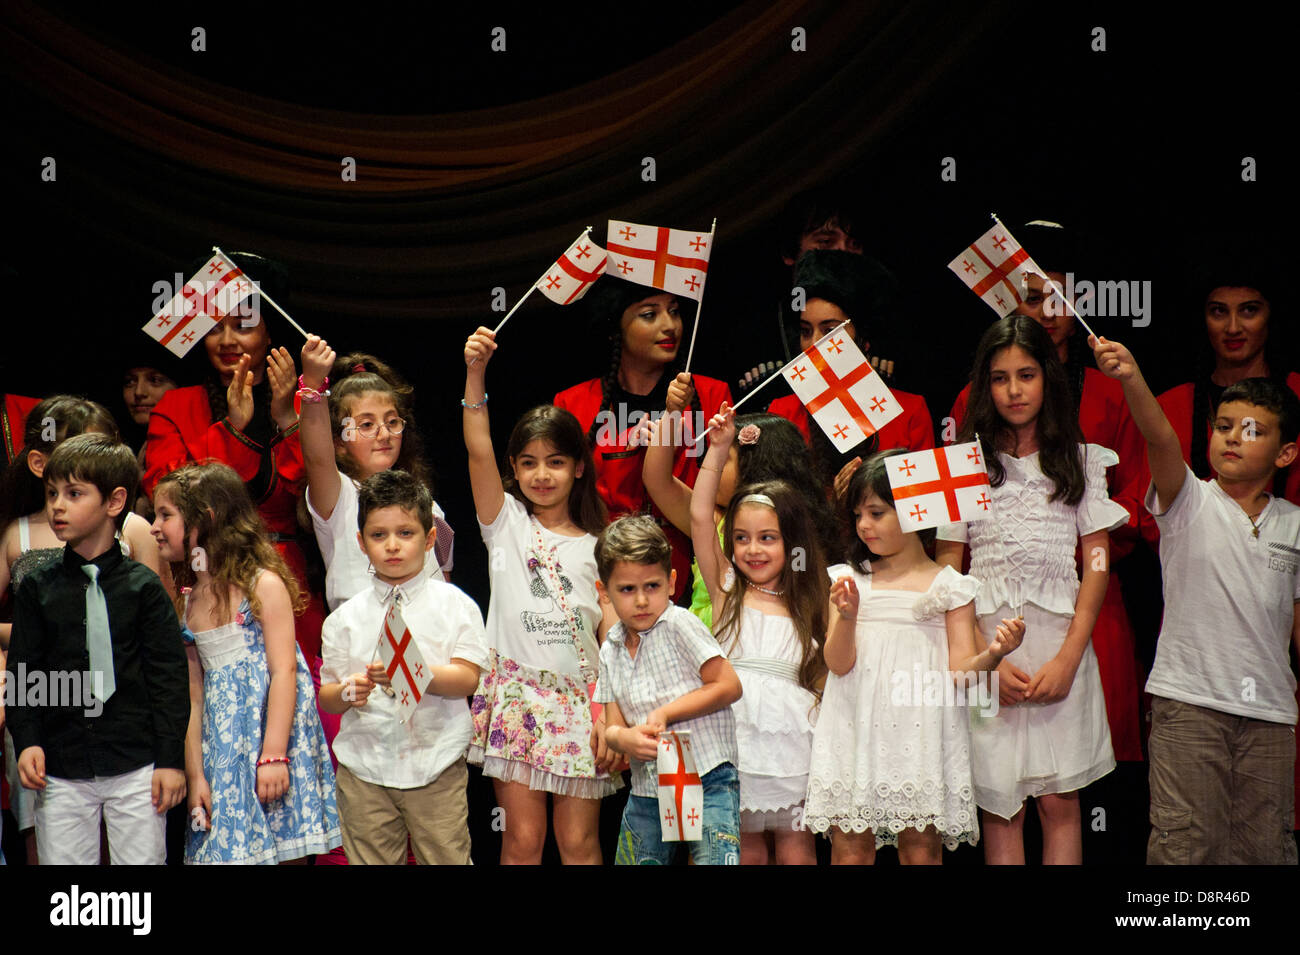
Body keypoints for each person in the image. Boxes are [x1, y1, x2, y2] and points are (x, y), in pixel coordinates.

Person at [947, 221, 1150, 764]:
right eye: (1037, 299)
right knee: (999, 794)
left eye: (1065, 299)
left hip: (1084, 602)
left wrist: (1092, 533)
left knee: (1069, 781)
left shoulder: (1109, 394)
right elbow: (951, 548)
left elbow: (1135, 500)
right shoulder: (973, 403)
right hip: (987, 618)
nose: (1052, 312)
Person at [1092, 335, 1299, 864]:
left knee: (1266, 850)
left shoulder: (1295, 525)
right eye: (1223, 427)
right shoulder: (1188, 499)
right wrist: (1133, 378)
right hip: (1189, 707)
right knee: (1186, 848)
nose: (1231, 438)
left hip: (1271, 715)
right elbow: (1160, 437)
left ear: (1287, 451)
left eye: (1251, 430)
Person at [936, 316, 1126, 864]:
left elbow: (1096, 564)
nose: (1014, 391)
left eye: (1026, 375)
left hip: (1059, 648)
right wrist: (983, 655)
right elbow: (948, 565)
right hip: (989, 651)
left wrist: (1070, 657)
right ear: (983, 385)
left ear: (1048, 377)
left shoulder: (1081, 460)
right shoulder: (963, 464)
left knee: (1060, 803)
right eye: (999, 378)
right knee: (1001, 809)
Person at [806, 454, 1024, 863]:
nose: (863, 525)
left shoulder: (951, 587)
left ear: (914, 511)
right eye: (858, 515)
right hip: (855, 725)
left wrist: (994, 653)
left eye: (876, 512)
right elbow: (837, 664)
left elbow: (960, 672)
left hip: (919, 732)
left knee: (922, 847)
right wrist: (848, 618)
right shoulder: (848, 580)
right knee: (850, 845)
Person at [463, 326, 615, 864]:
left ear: (578, 467)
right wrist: (475, 371)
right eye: (528, 462)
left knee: (579, 843)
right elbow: (478, 447)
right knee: (522, 840)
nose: (541, 474)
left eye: (554, 461)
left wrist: (609, 711)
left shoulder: (603, 545)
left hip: (583, 703)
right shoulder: (503, 522)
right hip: (517, 700)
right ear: (514, 470)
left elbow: (612, 633)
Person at [6, 433, 189, 864]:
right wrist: (28, 739)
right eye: (51, 493)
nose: (57, 505)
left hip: (137, 763)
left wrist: (170, 759)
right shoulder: (37, 588)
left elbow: (168, 679)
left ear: (114, 501)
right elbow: (23, 673)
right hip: (61, 765)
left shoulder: (143, 588)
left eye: (73, 493)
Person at [142, 253, 326, 666]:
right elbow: (167, 495)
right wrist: (232, 430)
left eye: (243, 326)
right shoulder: (175, 405)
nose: (227, 340)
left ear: (268, 332)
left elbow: (317, 496)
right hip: (206, 577)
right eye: (213, 328)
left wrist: (288, 420)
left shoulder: (301, 402)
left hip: (291, 580)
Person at [152, 462, 340, 864]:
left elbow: (284, 670)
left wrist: (273, 754)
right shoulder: (186, 601)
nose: (154, 526)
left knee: (282, 851)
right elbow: (192, 693)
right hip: (221, 753)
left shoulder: (262, 585)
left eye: (166, 515)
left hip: (269, 743)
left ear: (207, 518)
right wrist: (196, 773)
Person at [318, 470, 485, 864]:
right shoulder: (345, 618)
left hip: (436, 763)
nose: (392, 546)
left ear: (429, 539)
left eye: (406, 534)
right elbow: (327, 694)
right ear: (361, 543)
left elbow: (467, 678)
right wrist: (348, 692)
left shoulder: (455, 605)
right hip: (365, 768)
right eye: (379, 535)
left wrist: (413, 673)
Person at [691, 405, 827, 864]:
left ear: (793, 542)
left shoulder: (811, 601)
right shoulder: (727, 588)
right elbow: (698, 517)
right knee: (742, 849)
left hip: (795, 744)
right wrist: (719, 449)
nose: (753, 548)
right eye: (743, 537)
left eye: (767, 538)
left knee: (796, 847)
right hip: (736, 739)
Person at [554, 276, 731, 602]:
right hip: (602, 579)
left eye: (674, 311)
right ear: (614, 328)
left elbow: (727, 494)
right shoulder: (573, 404)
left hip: (694, 576)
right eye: (649, 314)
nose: (670, 326)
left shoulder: (711, 393)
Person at [593, 515, 743, 865]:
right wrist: (622, 740)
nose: (642, 601)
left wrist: (665, 713)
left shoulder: (679, 625)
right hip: (648, 787)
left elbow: (728, 685)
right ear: (604, 592)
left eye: (652, 586)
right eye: (628, 590)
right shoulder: (610, 648)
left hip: (707, 776)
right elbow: (612, 725)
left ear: (672, 581)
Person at [642, 406, 837, 628]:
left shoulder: (799, 533)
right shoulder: (713, 521)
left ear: (754, 468)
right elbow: (657, 480)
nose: (711, 465)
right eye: (742, 538)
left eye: (723, 459)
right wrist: (673, 411)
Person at [299, 336, 454, 610]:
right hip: (364, 641)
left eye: (392, 421)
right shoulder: (340, 497)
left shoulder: (428, 505)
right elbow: (317, 458)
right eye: (367, 424)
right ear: (338, 443)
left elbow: (444, 579)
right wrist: (312, 389)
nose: (384, 433)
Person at [766, 250, 935, 498]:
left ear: (864, 339)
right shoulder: (782, 414)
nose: (814, 344)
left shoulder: (910, 412)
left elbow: (924, 506)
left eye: (830, 331)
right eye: (805, 331)